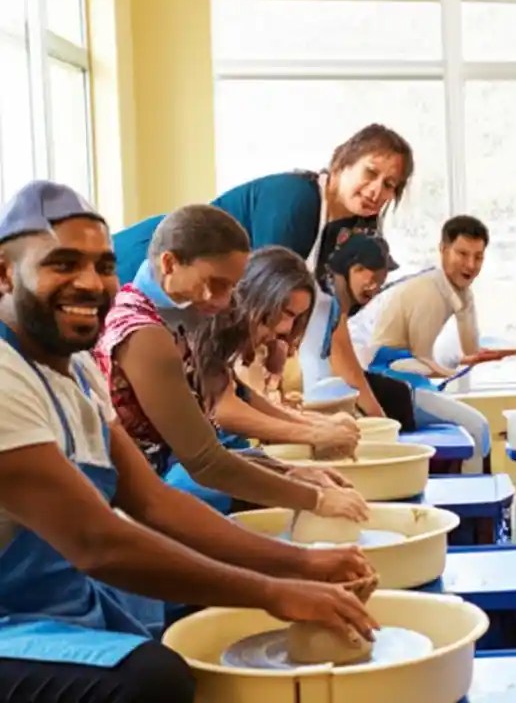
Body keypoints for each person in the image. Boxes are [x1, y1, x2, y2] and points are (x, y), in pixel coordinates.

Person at [0, 181, 378, 703]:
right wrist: (275, 589)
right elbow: (98, 542)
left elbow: (154, 502)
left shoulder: (77, 369)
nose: (89, 283)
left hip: (60, 595)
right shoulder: (8, 376)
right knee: (153, 678)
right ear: (4, 274)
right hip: (12, 616)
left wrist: (304, 564)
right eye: (63, 264)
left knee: (194, 609)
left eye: (104, 266)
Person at [93, 204, 367, 518]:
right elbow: (206, 461)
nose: (225, 300)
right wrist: (313, 498)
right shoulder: (143, 334)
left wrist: (289, 471)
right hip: (127, 505)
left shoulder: (181, 316)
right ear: (169, 263)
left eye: (232, 286)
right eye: (216, 283)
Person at [112, 123, 414, 284]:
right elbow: (263, 295)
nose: (376, 190)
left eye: (389, 185)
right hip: (152, 261)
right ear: (342, 162)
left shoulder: (347, 231)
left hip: (195, 292)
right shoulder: (297, 200)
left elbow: (328, 317)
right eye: (370, 172)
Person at [348, 216, 507, 473]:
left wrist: (466, 305)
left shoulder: (455, 291)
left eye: (478, 257)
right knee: (478, 427)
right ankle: (477, 509)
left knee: (472, 426)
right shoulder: (429, 291)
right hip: (390, 385)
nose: (471, 264)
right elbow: (421, 359)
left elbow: (470, 349)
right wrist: (450, 369)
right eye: (462, 254)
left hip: (404, 381)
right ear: (443, 250)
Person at [204, 247, 377, 459]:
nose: (286, 328)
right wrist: (313, 433)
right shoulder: (205, 327)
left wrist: (315, 423)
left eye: (296, 318)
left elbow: (244, 397)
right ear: (259, 297)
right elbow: (223, 410)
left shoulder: (229, 342)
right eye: (286, 313)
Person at [294, 233, 409, 423]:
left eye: (379, 282)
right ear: (347, 269)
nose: (374, 288)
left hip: (319, 400)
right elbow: (345, 366)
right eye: (367, 275)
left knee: (397, 394)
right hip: (313, 403)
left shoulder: (337, 306)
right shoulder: (326, 303)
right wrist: (380, 420)